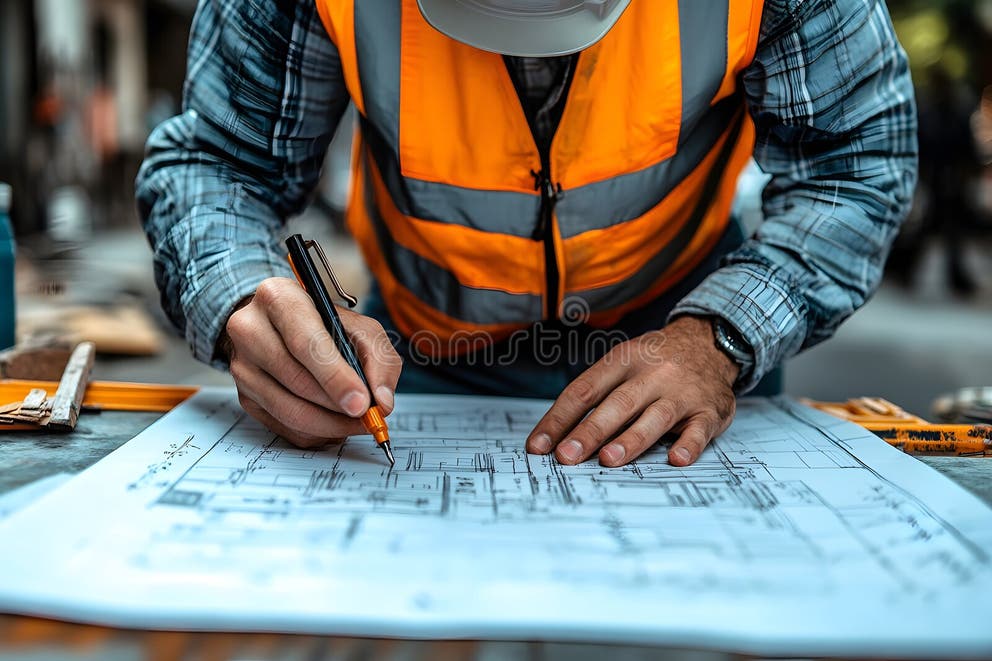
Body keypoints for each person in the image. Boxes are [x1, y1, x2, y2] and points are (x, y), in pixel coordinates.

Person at [137, 0, 917, 469]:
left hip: (684, 364)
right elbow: (216, 162)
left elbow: (855, 162)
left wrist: (721, 337)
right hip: (415, 365)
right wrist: (242, 298)